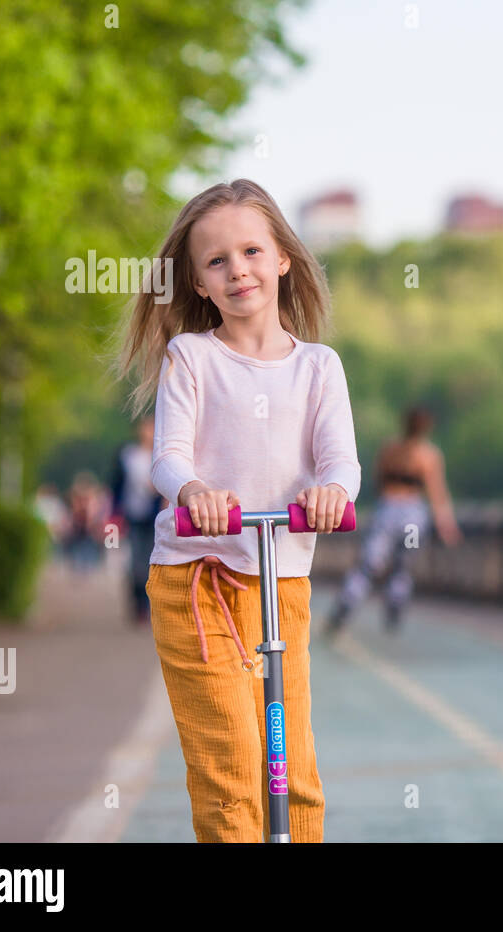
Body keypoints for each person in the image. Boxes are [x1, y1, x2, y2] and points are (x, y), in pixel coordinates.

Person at [111, 178, 361, 843]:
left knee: (292, 774)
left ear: (283, 257)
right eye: (216, 261)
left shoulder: (319, 367)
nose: (237, 270)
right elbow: (170, 457)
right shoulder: (191, 357)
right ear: (198, 283)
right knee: (234, 767)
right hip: (198, 579)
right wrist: (195, 493)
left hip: (282, 582)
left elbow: (342, 462)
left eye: (251, 250)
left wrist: (332, 494)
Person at [325, 406, 460, 634]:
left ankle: (347, 602)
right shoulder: (429, 455)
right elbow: (437, 492)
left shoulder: (389, 449)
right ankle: (395, 604)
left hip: (387, 511)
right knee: (402, 566)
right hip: (413, 518)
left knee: (369, 564)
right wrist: (446, 525)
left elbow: (378, 481)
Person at [110, 414, 165, 625]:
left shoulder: (162, 455)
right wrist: (114, 514)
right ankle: (138, 605)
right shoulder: (128, 455)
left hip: (155, 517)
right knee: (135, 564)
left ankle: (152, 605)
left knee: (153, 561)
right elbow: (116, 485)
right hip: (132, 515)